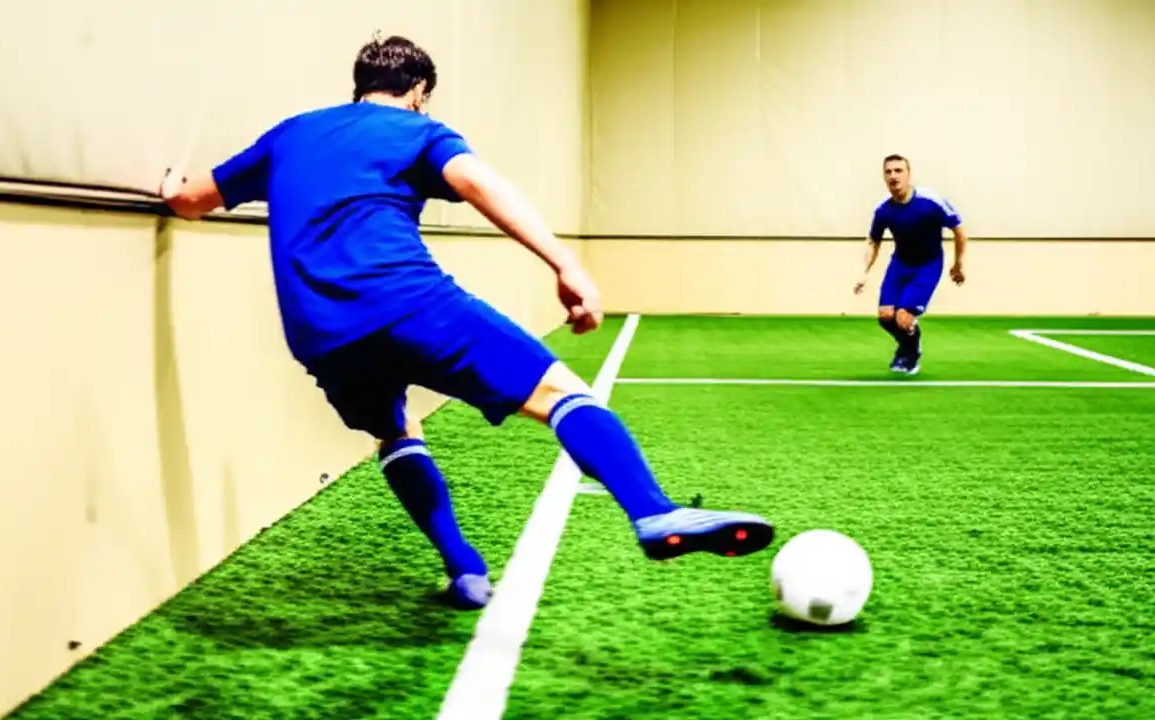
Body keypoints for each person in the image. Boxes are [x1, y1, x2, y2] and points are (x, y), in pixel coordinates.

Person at [157, 35, 773, 610]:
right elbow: (476, 181)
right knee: (560, 393)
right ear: (419, 90)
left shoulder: (291, 134)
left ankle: (464, 568)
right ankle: (651, 509)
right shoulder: (417, 131)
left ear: (360, 84)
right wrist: (564, 263)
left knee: (396, 432)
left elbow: (190, 200)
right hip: (408, 301)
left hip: (320, 335)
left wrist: (170, 185)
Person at [854, 154, 968, 374]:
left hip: (927, 266)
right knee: (886, 316)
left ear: (908, 174)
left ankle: (911, 354)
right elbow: (874, 242)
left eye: (898, 171)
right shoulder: (883, 210)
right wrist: (863, 272)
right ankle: (906, 347)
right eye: (888, 172)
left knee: (903, 318)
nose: (893, 176)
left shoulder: (931, 202)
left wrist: (958, 265)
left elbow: (959, 231)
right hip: (900, 264)